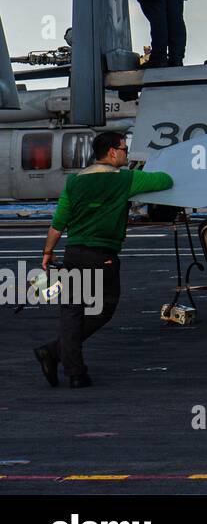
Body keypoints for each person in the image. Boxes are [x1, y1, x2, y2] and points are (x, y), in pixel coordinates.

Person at [32, 131, 174, 388]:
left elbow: (58, 223)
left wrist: (47, 253)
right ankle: (54, 352)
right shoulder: (125, 179)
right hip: (103, 255)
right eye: (124, 150)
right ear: (112, 152)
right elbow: (164, 180)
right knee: (104, 307)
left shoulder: (75, 181)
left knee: (72, 310)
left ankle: (74, 371)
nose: (126, 154)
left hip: (73, 253)